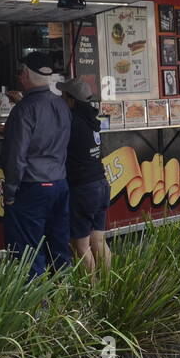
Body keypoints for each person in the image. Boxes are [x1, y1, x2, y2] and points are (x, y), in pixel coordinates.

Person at [1, 52, 71, 277]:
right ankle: (67, 299)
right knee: (59, 247)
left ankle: (37, 309)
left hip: (32, 186)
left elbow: (15, 156)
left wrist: (10, 192)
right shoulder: (61, 105)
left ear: (26, 76)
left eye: (21, 73)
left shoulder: (23, 110)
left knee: (28, 253)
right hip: (59, 183)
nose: (19, 77)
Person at [60, 77, 111, 275]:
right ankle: (110, 289)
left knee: (81, 246)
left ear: (71, 100)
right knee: (98, 240)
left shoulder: (71, 121)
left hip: (83, 188)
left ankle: (94, 294)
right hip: (101, 183)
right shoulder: (92, 119)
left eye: (64, 96)